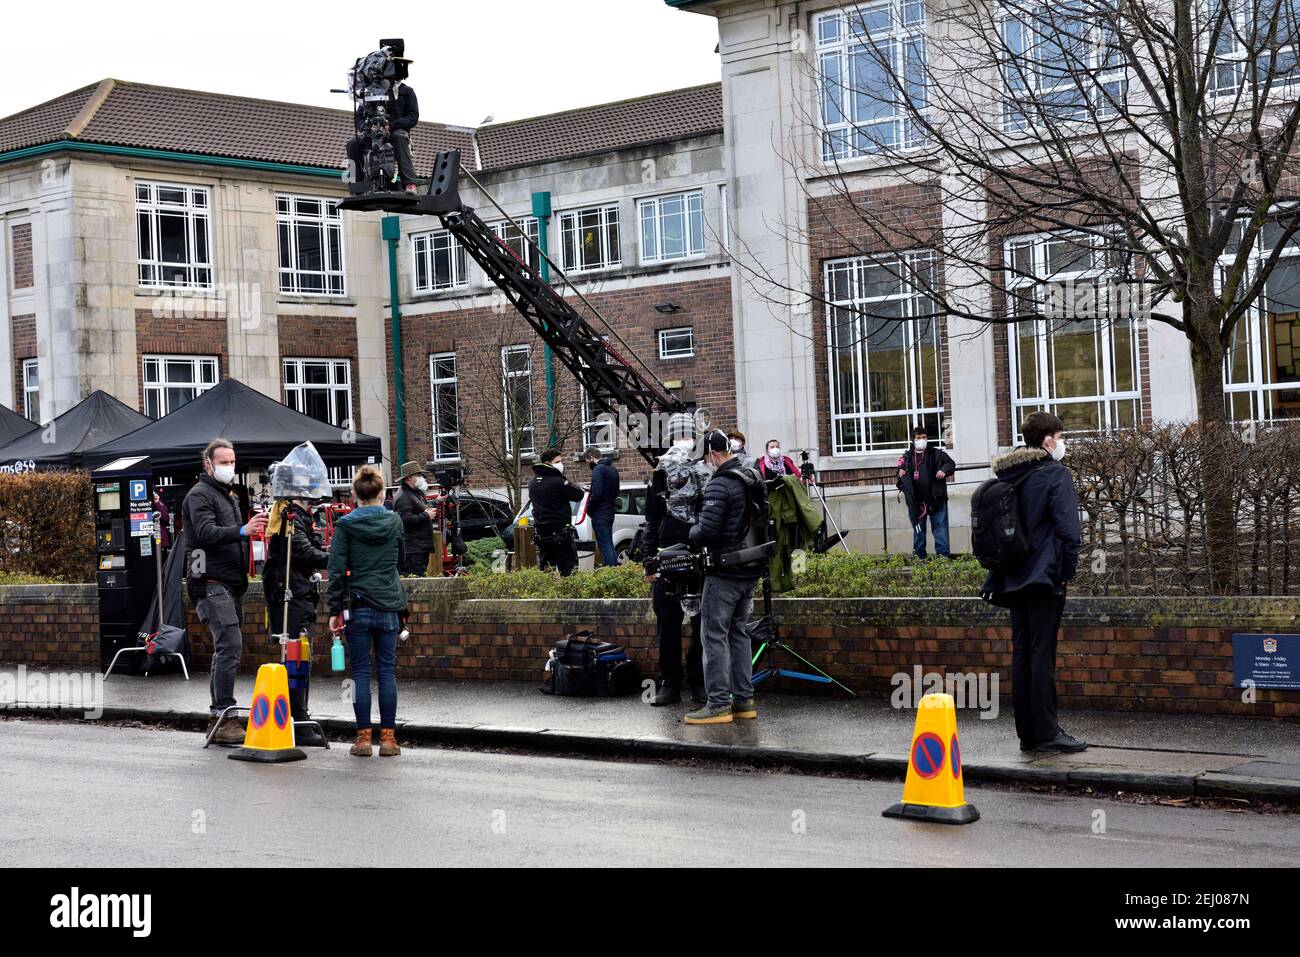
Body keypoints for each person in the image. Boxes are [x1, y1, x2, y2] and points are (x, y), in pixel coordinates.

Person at [981, 411, 1086, 753]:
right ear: (1047, 440)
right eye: (1061, 435)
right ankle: (1047, 732)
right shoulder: (1055, 474)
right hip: (1043, 577)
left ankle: (1028, 732)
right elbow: (1069, 532)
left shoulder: (1010, 475)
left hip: (1011, 577)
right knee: (1042, 655)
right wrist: (1065, 571)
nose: (1063, 442)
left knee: (1023, 654)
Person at [183, 438, 267, 746]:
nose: (229, 467)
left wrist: (249, 533)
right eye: (223, 461)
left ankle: (219, 718)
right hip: (208, 579)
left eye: (232, 461)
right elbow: (205, 533)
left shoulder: (228, 496)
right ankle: (224, 716)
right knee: (228, 643)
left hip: (231, 581)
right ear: (208, 463)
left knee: (229, 646)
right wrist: (243, 530)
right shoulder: (199, 495)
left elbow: (234, 538)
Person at [685, 430, 767, 725]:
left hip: (724, 571)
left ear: (713, 454)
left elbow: (707, 531)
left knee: (714, 635)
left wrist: (690, 531)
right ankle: (744, 701)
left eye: (707, 457)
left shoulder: (720, 483)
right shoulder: (752, 476)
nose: (707, 462)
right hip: (751, 568)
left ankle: (718, 704)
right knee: (739, 633)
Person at [328, 465, 407, 757]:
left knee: (360, 672)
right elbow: (402, 558)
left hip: (357, 605)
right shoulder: (395, 521)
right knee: (387, 671)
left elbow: (336, 571)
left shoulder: (345, 525)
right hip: (388, 604)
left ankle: (363, 739)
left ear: (353, 495)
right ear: (383, 493)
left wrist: (334, 609)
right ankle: (388, 739)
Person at [644, 413, 708, 705]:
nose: (684, 442)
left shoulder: (704, 468)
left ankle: (699, 682)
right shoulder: (660, 472)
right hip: (668, 552)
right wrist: (649, 559)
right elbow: (651, 517)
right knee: (667, 621)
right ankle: (670, 683)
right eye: (679, 436)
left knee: (702, 623)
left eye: (688, 435)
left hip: (698, 550)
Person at [262, 499, 330, 745]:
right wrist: (333, 559)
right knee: (296, 655)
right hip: (290, 593)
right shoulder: (291, 518)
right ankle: (298, 721)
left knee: (299, 655)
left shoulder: (298, 517)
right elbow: (301, 551)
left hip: (296, 590)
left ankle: (298, 716)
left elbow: (307, 547)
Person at [346, 42, 420, 192]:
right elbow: (359, 116)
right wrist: (365, 127)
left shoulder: (406, 91)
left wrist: (392, 126)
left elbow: (413, 117)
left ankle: (409, 183)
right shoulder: (372, 91)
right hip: (371, 130)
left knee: (399, 138)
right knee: (353, 143)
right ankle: (357, 184)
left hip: (395, 131)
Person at [896, 426, 956, 559]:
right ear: (913, 440)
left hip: (936, 500)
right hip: (917, 503)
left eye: (924, 437)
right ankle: (919, 557)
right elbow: (900, 478)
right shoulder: (907, 457)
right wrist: (900, 475)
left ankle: (943, 556)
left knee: (940, 529)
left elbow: (951, 464)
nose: (921, 440)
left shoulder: (937, 454)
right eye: (918, 438)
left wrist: (944, 471)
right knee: (919, 531)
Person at [528, 448, 584, 576]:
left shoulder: (532, 483)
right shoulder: (557, 482)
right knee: (569, 572)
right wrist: (564, 480)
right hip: (560, 535)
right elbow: (578, 494)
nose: (561, 464)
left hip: (542, 534)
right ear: (547, 463)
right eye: (558, 461)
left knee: (546, 572)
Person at [392, 461, 436, 575]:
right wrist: (426, 516)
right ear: (410, 478)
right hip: (412, 550)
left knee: (419, 579)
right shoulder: (403, 496)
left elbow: (420, 508)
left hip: (418, 547)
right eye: (419, 475)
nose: (422, 478)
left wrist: (437, 501)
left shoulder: (414, 492)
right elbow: (404, 520)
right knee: (414, 583)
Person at [584, 445, 620, 567]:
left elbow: (598, 493)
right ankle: (615, 571)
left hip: (600, 513)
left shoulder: (598, 469)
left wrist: (589, 508)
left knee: (604, 546)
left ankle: (610, 573)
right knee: (609, 543)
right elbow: (614, 491)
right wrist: (593, 488)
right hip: (610, 511)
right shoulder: (612, 469)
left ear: (591, 457)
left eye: (587, 461)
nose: (588, 464)